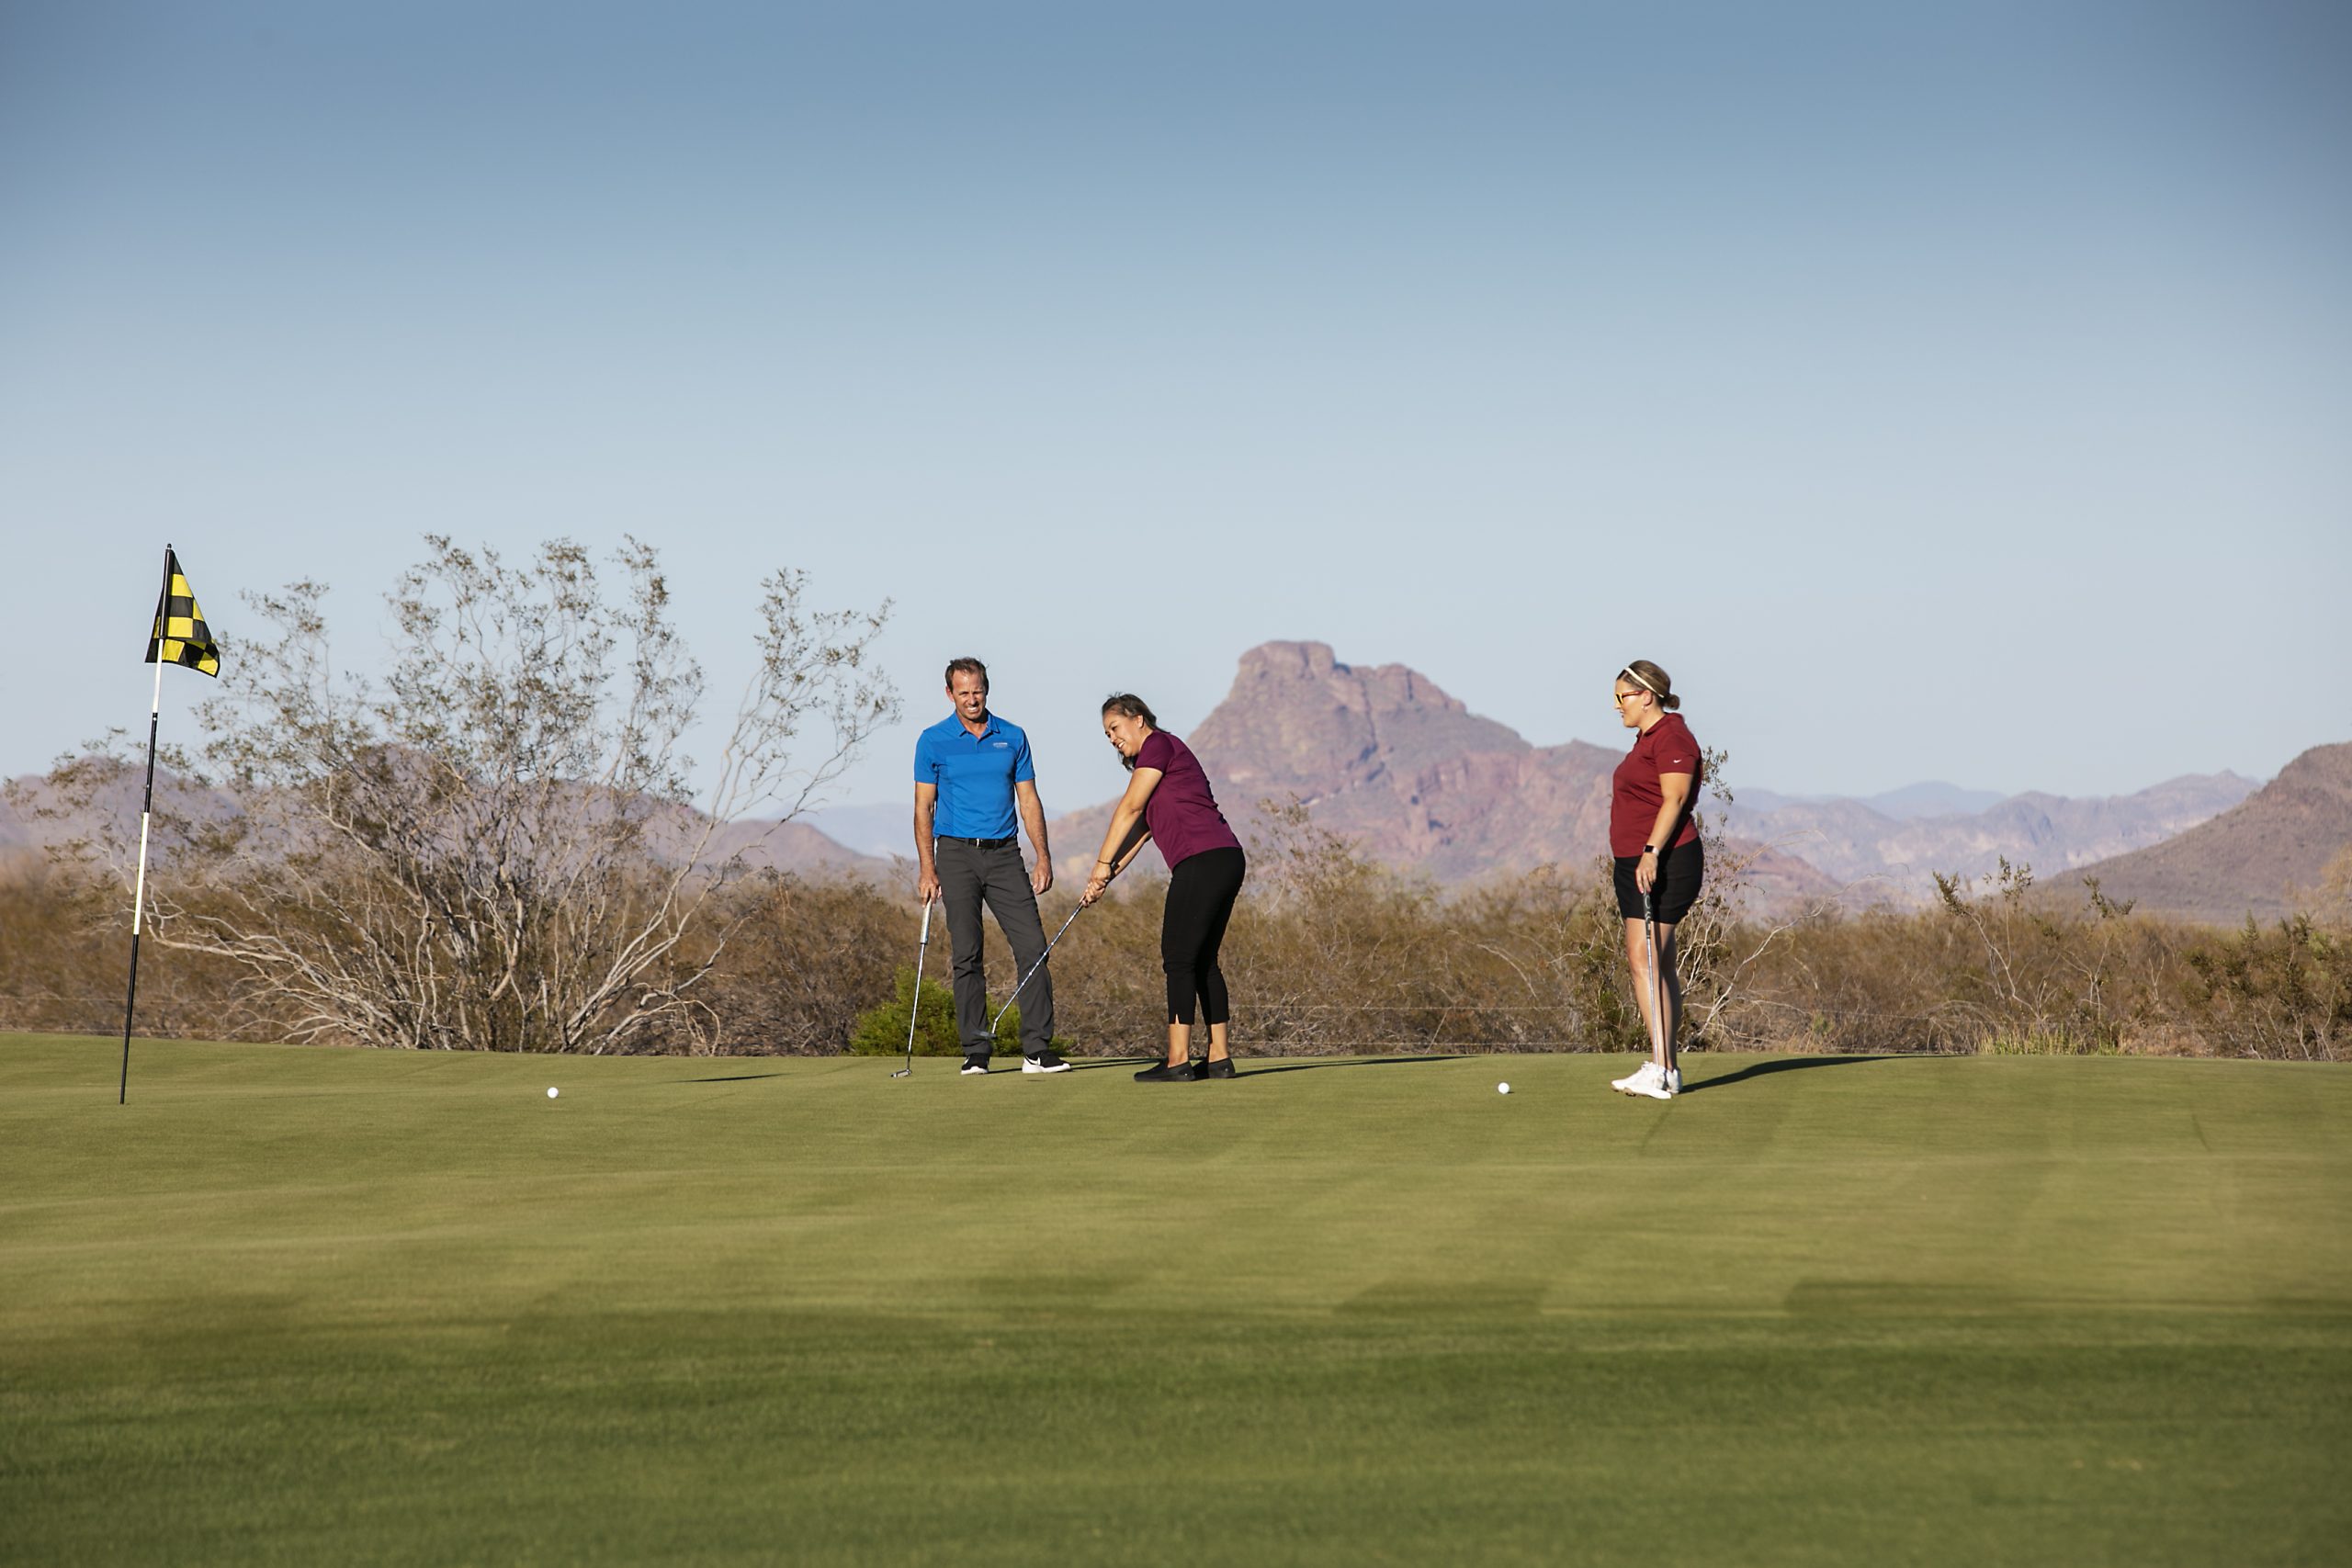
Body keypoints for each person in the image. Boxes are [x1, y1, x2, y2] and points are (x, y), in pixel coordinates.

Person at [913, 658, 1070, 1075]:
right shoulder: (932, 740)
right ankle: (976, 1051)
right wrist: (927, 868)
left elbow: (1029, 800)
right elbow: (923, 807)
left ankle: (1036, 1050)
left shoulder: (1013, 736)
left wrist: (1043, 856)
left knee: (1033, 948)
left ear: (987, 689)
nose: (971, 699)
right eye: (963, 692)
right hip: (955, 854)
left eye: (977, 691)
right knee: (967, 953)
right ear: (950, 694)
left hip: (1004, 855)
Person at [1081, 694, 1247, 1083]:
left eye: (1115, 728)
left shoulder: (1158, 744)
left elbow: (1129, 809)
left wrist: (1100, 863)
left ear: (1138, 719)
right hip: (1225, 858)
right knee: (1202, 960)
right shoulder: (1158, 770)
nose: (1112, 738)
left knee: (1178, 959)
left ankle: (1177, 1060)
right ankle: (1219, 1059)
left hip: (1202, 861)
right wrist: (1104, 877)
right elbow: (1140, 833)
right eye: (1107, 734)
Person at [1607, 659, 1704, 1100]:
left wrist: (1651, 852)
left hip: (1664, 861)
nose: (1617, 706)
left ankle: (1662, 1069)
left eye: (1622, 697)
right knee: (1653, 962)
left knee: (1645, 959)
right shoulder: (1647, 738)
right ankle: (1667, 1068)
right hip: (1639, 861)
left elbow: (1676, 798)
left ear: (1646, 696)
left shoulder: (1672, 736)